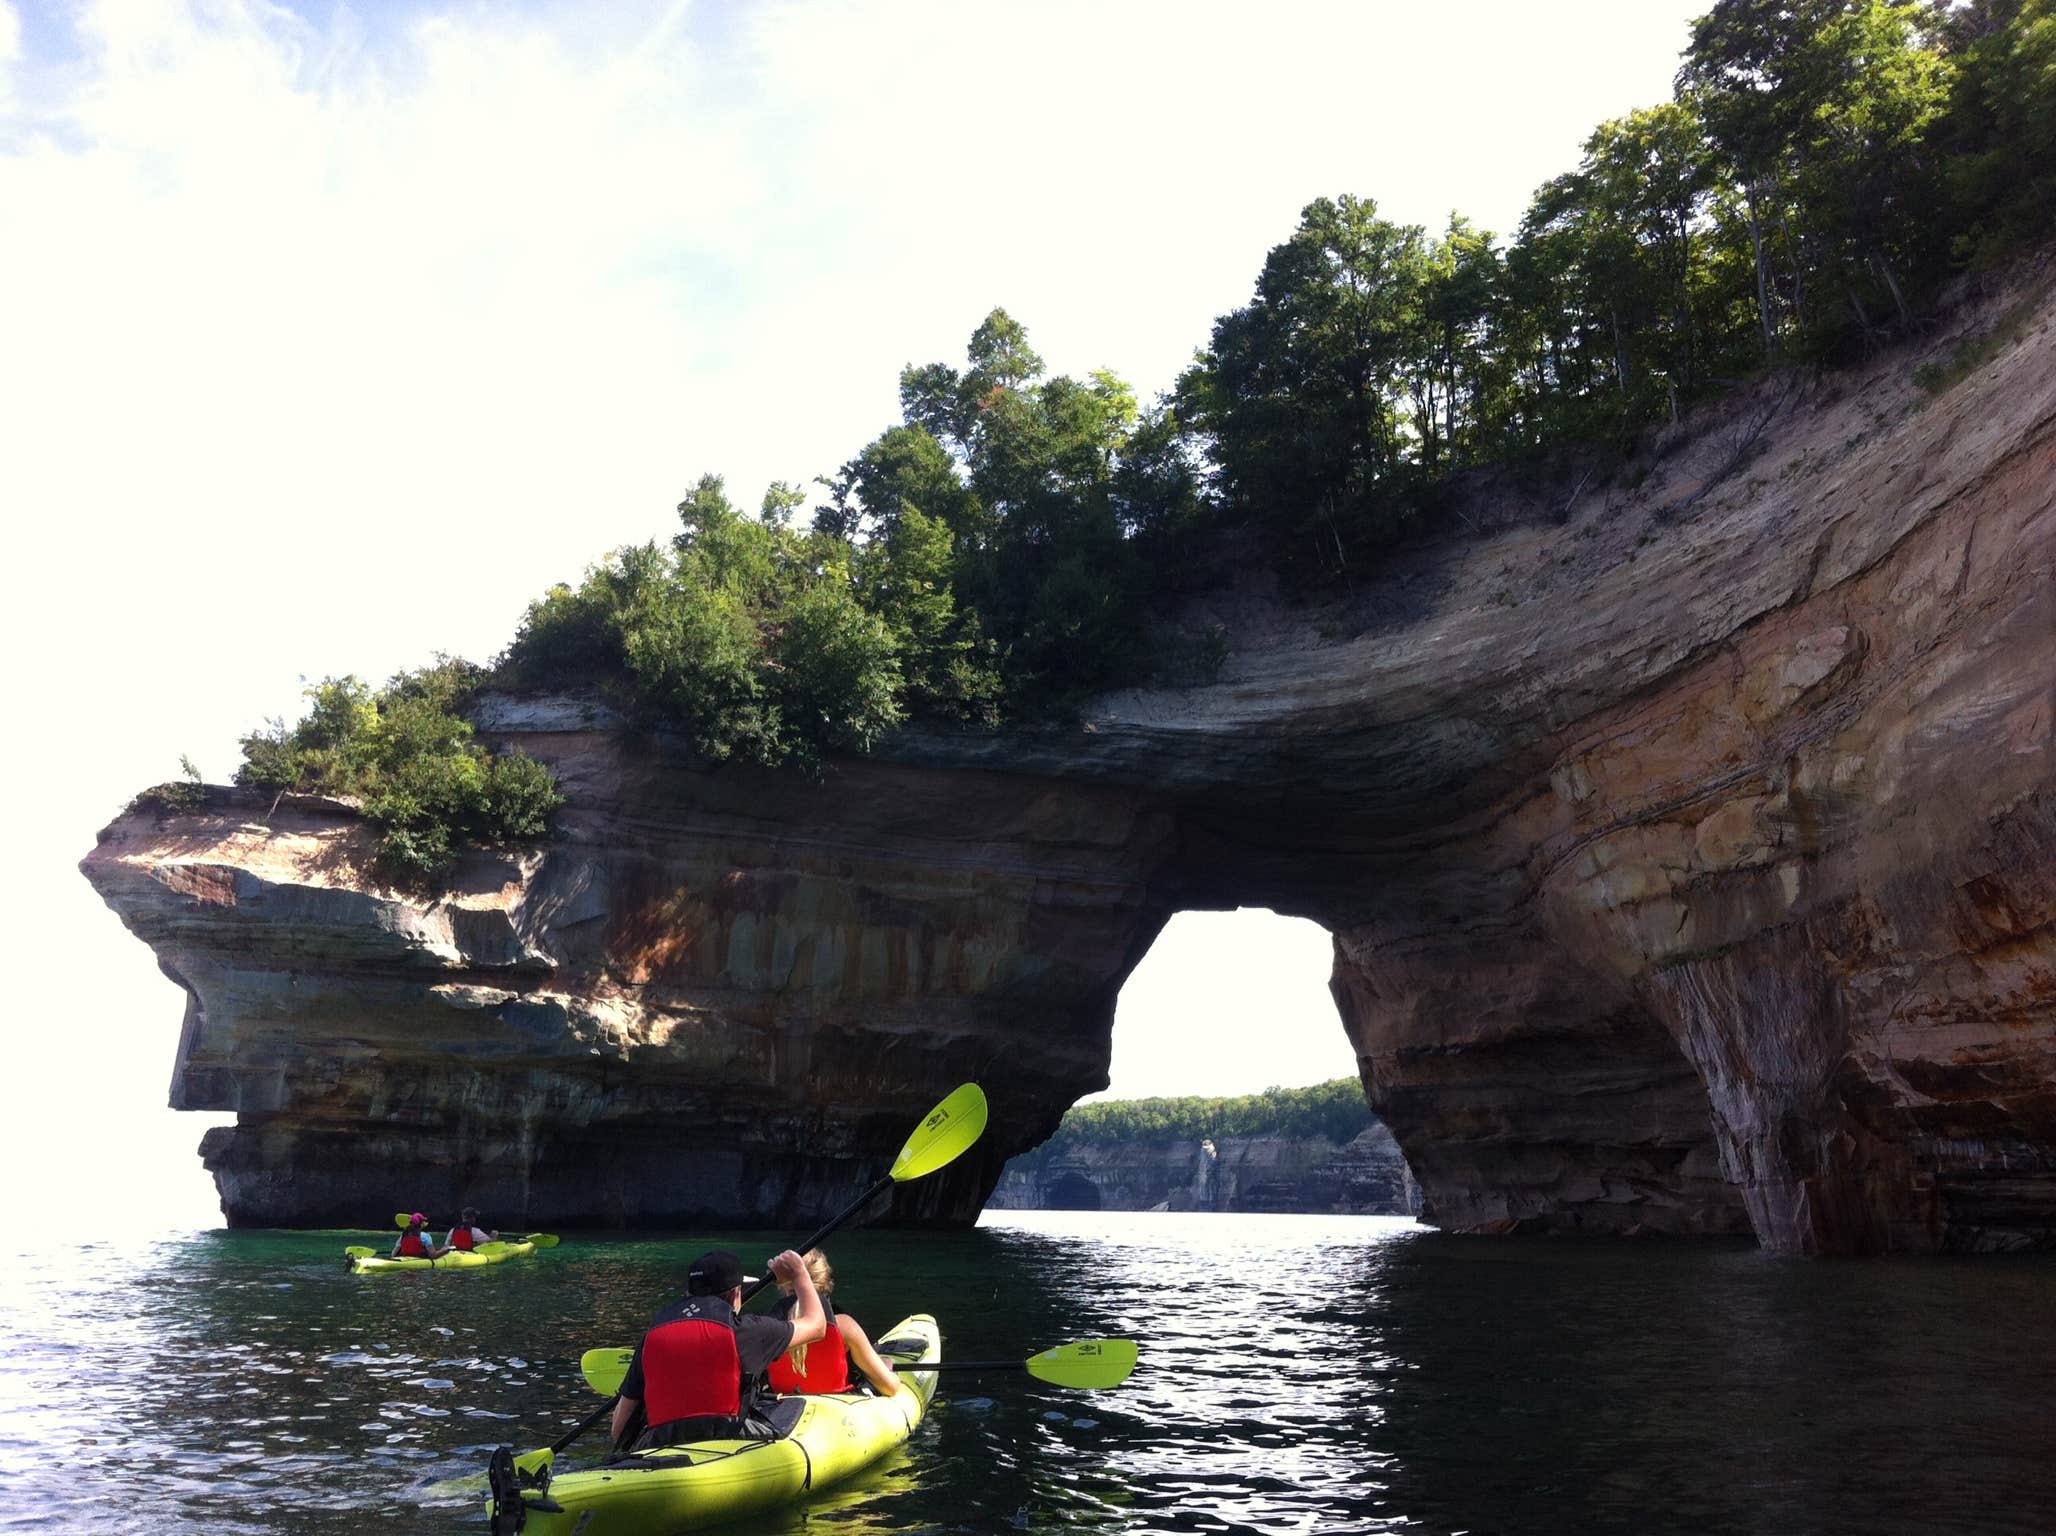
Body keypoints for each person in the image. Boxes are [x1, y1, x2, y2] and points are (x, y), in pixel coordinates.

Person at [609, 1248, 824, 1451]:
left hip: (658, 1443)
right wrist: (799, 1275)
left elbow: (619, 1430)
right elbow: (817, 1326)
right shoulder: (748, 1331)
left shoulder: (652, 1337)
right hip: (724, 1439)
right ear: (735, 1294)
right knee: (792, 1406)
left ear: (688, 1293)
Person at [765, 1249, 902, 1398]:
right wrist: (887, 1365)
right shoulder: (845, 1326)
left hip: (781, 1412)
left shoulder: (765, 1329)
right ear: (826, 1283)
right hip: (834, 1411)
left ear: (783, 1285)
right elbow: (891, 1388)